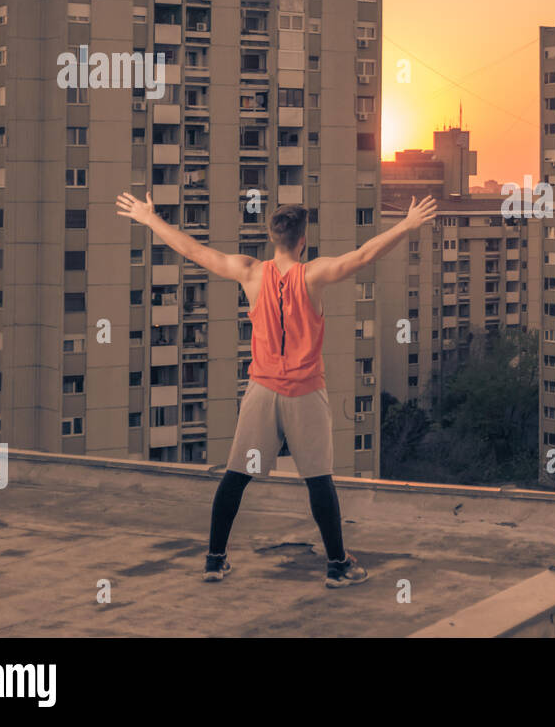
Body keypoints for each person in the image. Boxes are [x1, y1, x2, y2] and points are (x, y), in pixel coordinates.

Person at [117, 191, 438, 587]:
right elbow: (361, 257)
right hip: (304, 392)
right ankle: (337, 565)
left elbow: (196, 251)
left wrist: (150, 219)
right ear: (302, 240)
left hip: (261, 391)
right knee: (319, 480)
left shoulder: (250, 272)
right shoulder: (313, 274)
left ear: (273, 237)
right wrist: (406, 225)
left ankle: (214, 561)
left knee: (236, 476)